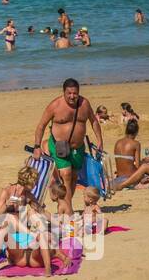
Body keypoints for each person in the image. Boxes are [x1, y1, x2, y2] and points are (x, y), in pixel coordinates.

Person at [32, 78, 103, 213]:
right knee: (66, 173)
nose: (72, 96)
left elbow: (93, 121)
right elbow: (41, 126)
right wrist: (36, 147)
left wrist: (100, 140)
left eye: (75, 93)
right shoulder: (55, 105)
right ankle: (67, 208)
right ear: (64, 92)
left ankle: (64, 205)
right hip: (59, 146)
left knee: (74, 177)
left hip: (78, 148)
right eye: (69, 93)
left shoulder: (84, 104)